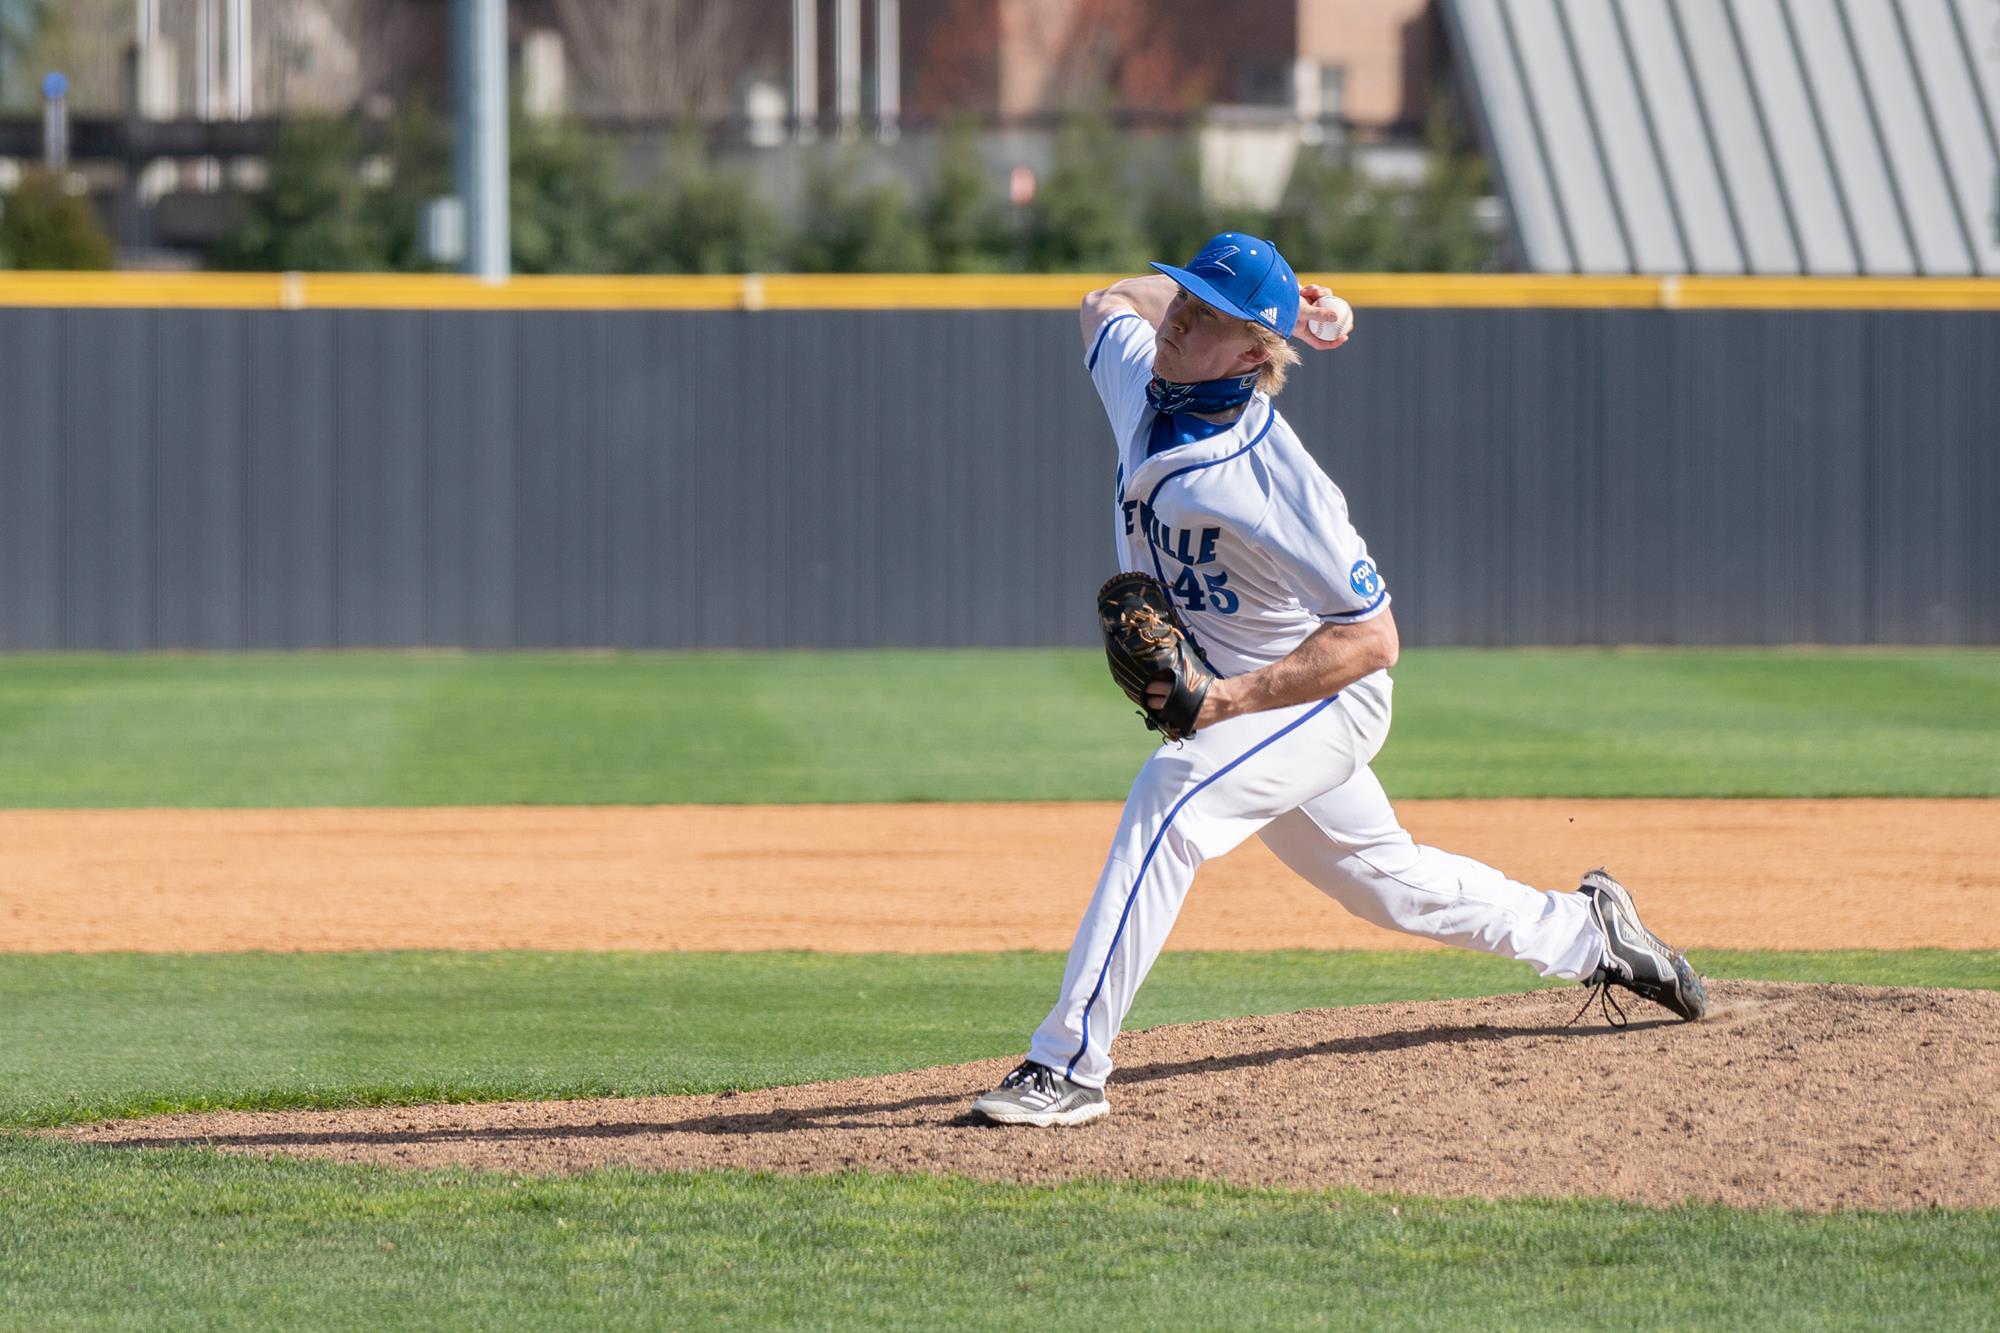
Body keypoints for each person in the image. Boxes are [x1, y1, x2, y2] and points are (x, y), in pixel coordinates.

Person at [970, 233, 1707, 1128]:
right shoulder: (1148, 380)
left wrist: (1225, 704)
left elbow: (1374, 639)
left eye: (1205, 313)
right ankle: (1592, 932)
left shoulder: (1275, 479)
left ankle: (1068, 1063)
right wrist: (1287, 303)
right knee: (1384, 880)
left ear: (1249, 354)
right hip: (1254, 699)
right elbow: (1104, 305)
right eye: (1185, 297)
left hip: (1322, 695)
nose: (1180, 318)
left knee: (1173, 796)